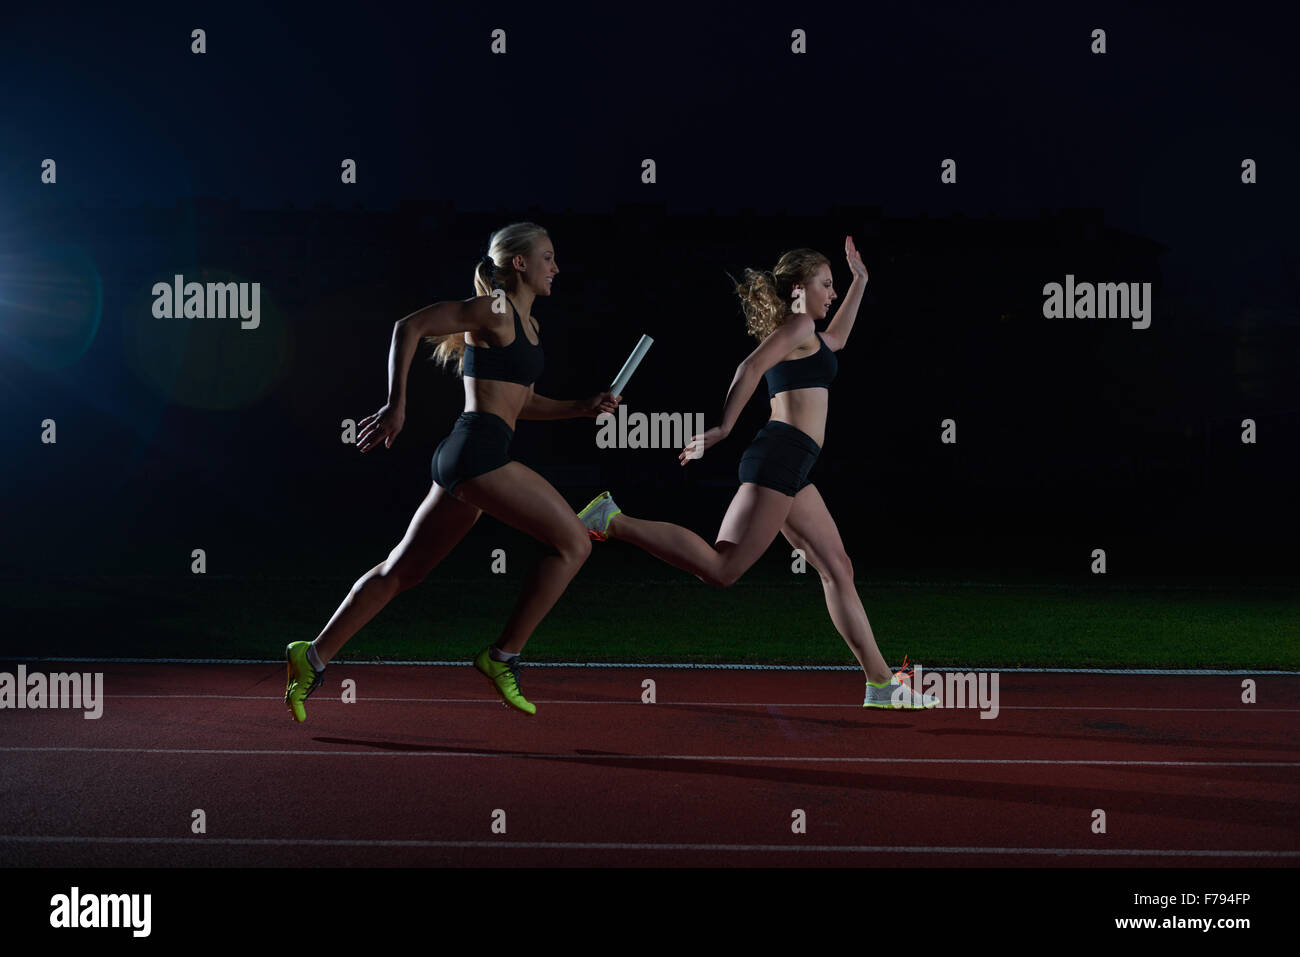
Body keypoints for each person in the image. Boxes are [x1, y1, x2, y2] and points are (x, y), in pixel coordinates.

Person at [578, 237, 935, 708]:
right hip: (779, 458)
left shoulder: (810, 336)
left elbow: (840, 340)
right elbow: (748, 367)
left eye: (834, 285)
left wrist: (861, 281)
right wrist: (725, 427)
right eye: (825, 284)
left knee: (837, 568)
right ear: (798, 289)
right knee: (722, 569)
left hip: (794, 463)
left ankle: (880, 682)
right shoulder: (800, 324)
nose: (831, 293)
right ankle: (612, 520)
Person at [285, 222, 619, 721]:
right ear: (520, 264)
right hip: (478, 454)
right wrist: (397, 405)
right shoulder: (496, 309)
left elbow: (521, 402)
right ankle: (501, 656)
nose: (556, 267)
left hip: (470, 457)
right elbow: (409, 326)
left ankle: (310, 656)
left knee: (404, 571)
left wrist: (581, 407)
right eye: (547, 257)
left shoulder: (527, 325)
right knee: (573, 542)